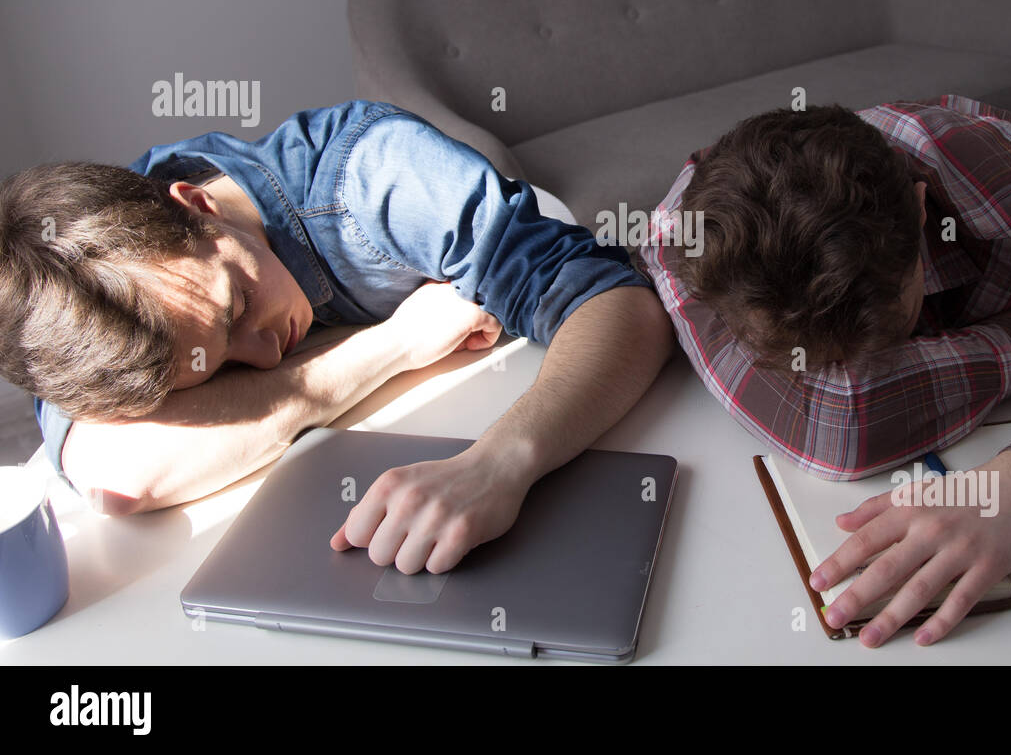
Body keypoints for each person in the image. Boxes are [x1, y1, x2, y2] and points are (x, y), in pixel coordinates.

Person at [639, 94, 1011, 648]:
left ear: (922, 212)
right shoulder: (689, 238)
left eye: (876, 336)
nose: (847, 370)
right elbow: (840, 426)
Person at [0, 99, 673, 575]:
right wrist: (394, 346)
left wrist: (497, 465)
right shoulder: (81, 290)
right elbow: (117, 479)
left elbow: (624, 308)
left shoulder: (382, 176)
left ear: (198, 205)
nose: (264, 351)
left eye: (236, 307)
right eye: (211, 366)